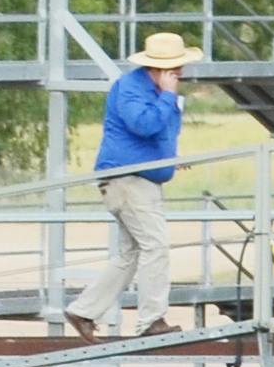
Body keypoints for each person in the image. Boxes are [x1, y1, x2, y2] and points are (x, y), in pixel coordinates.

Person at [81, 29, 194, 332]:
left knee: (131, 253)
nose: (180, 73)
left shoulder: (154, 92)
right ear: (158, 68)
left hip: (139, 178)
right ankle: (151, 320)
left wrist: (171, 157)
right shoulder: (131, 88)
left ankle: (83, 311)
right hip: (128, 180)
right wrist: (169, 96)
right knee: (155, 246)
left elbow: (158, 132)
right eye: (175, 68)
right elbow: (143, 125)